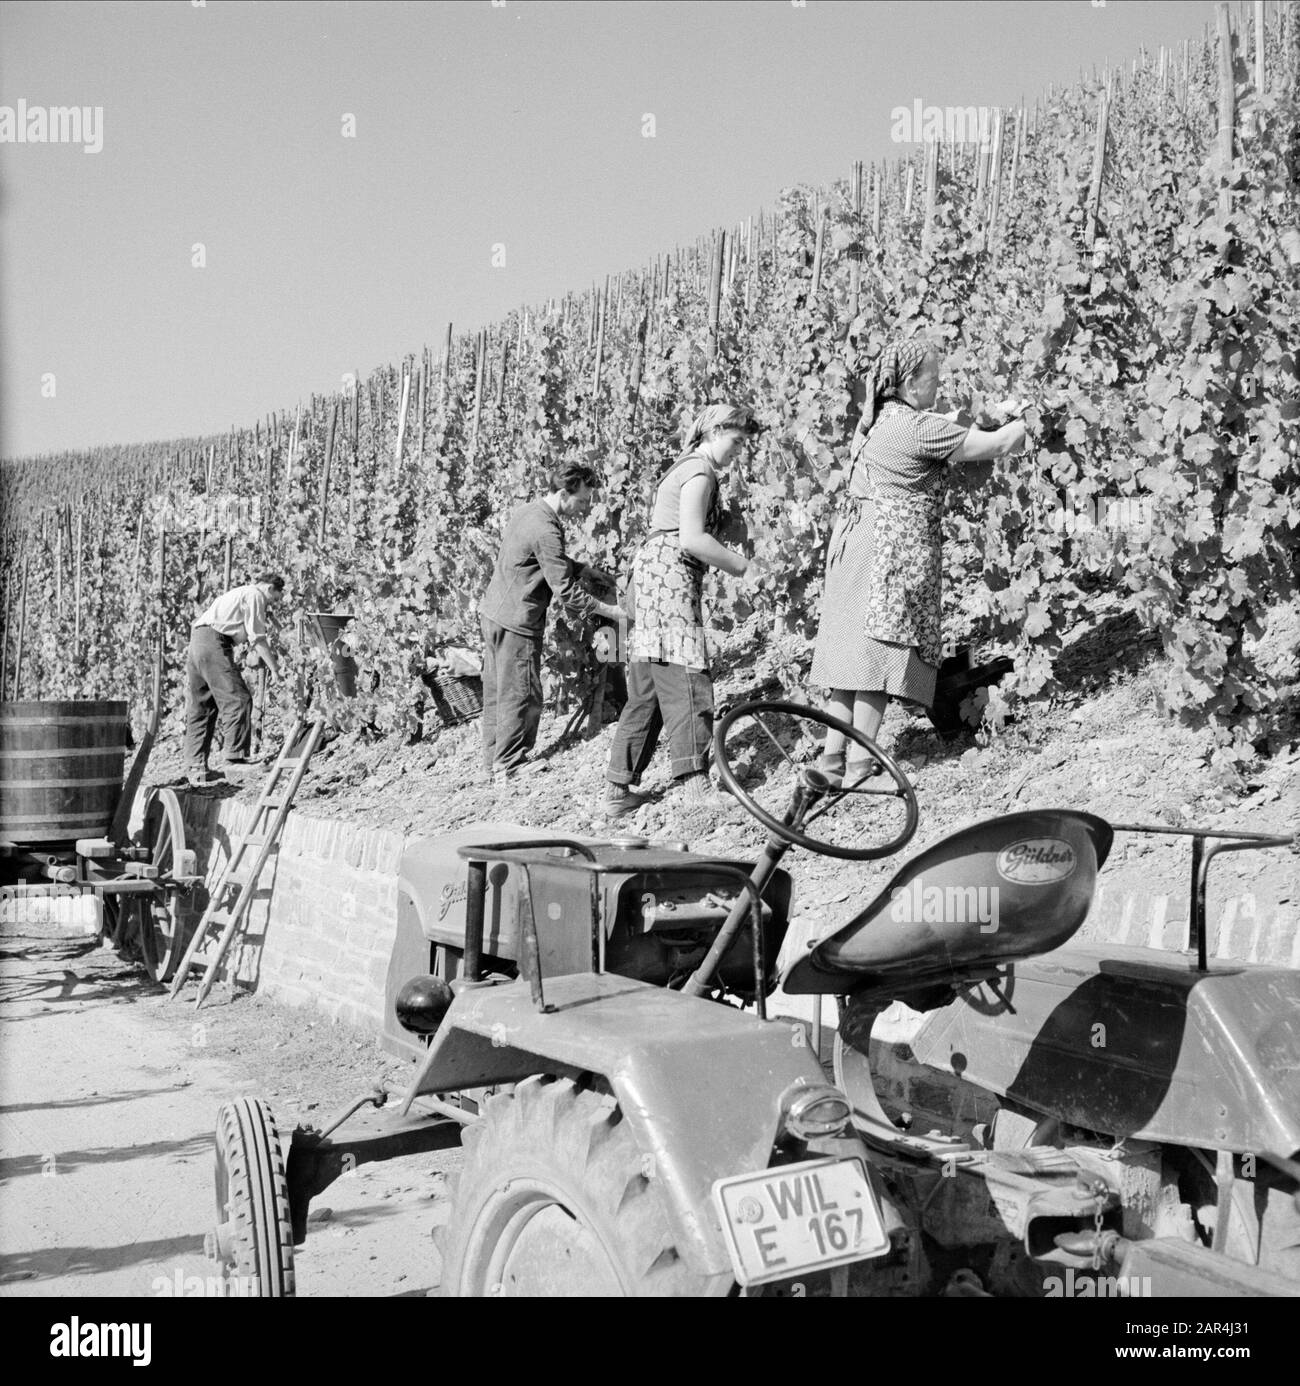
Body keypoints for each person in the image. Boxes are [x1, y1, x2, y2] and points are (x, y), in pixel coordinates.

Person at [809, 339, 1027, 783]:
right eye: (935, 376)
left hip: (855, 543)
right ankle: (859, 767)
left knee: (851, 658)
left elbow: (949, 425)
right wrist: (1031, 418)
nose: (940, 383)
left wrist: (982, 414)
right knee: (878, 659)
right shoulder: (917, 429)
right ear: (910, 382)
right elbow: (1002, 443)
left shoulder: (879, 420)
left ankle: (830, 763)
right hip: (890, 550)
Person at [602, 403, 765, 819]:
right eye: (736, 441)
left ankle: (618, 790)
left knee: (648, 690)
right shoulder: (699, 472)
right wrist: (742, 566)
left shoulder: (682, 467)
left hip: (648, 582)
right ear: (714, 431)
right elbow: (692, 538)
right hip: (669, 583)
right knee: (689, 680)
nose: (738, 450)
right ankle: (696, 788)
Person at [479, 461, 624, 779]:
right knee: (522, 690)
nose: (585, 507)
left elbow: (544, 559)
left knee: (497, 691)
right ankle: (511, 764)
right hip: (517, 617)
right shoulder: (547, 528)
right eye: (583, 499)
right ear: (564, 492)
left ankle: (492, 765)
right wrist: (611, 611)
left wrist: (582, 568)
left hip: (494, 612)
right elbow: (566, 593)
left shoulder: (529, 512)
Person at [184, 573, 284, 787]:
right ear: (269, 588)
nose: (271, 604)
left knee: (203, 705)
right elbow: (257, 637)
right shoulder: (255, 595)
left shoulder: (238, 593)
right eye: (274, 598)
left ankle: (195, 768)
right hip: (213, 644)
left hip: (197, 642)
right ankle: (234, 760)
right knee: (238, 699)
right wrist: (274, 669)